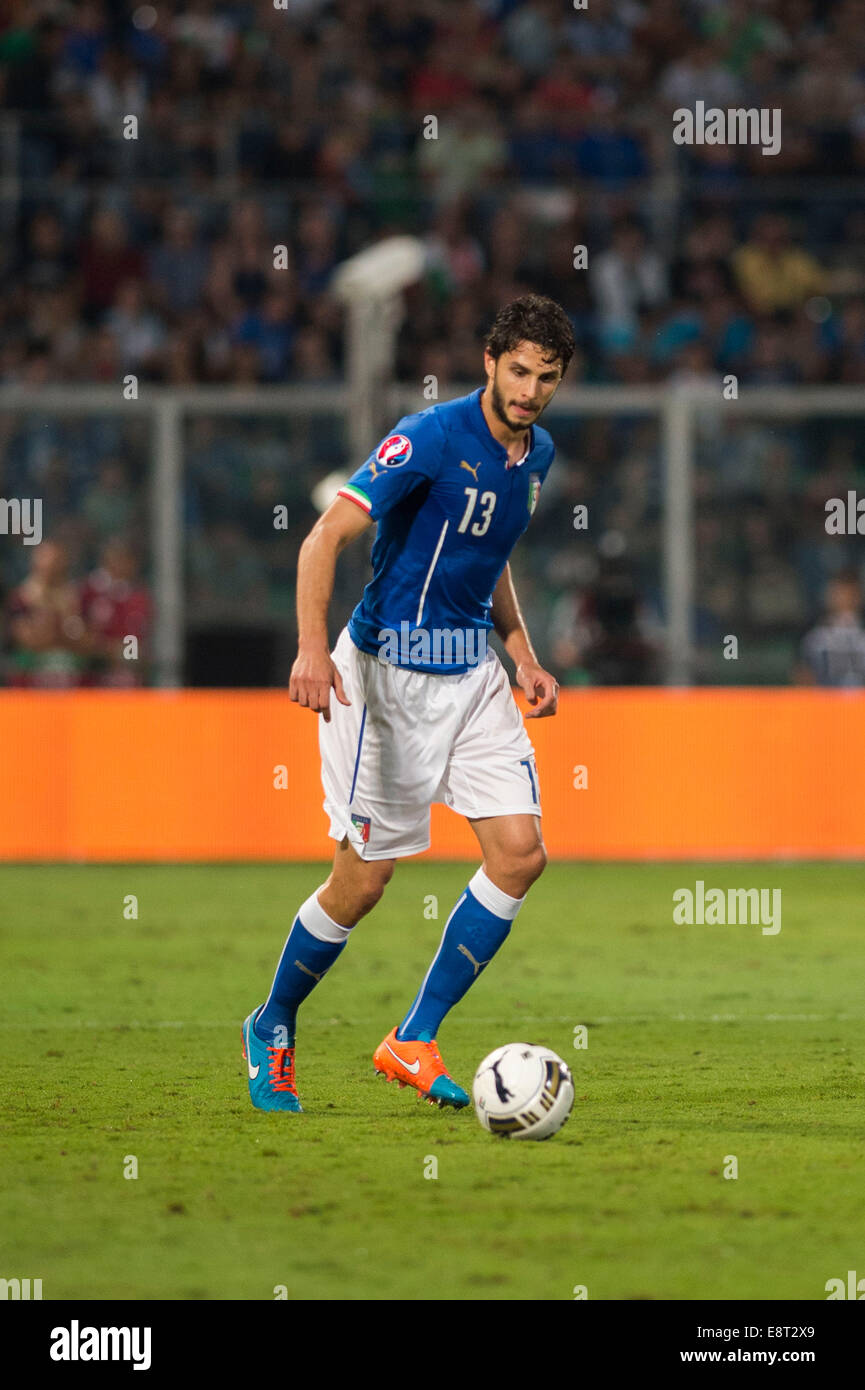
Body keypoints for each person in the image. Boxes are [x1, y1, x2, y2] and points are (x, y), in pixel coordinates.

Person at [242, 293, 575, 1113]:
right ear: (491, 362)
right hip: (381, 682)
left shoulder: (535, 456)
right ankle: (272, 1021)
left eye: (548, 378)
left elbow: (487, 553)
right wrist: (312, 650)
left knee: (520, 855)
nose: (530, 391)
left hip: (470, 680)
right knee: (362, 883)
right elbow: (323, 538)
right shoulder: (427, 435)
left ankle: (413, 1037)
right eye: (520, 372)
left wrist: (522, 654)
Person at [795, 568, 865, 687]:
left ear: (858, 596)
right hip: (826, 702)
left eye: (850, 593)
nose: (844, 598)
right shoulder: (814, 637)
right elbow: (802, 675)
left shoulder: (861, 634)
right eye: (839, 593)